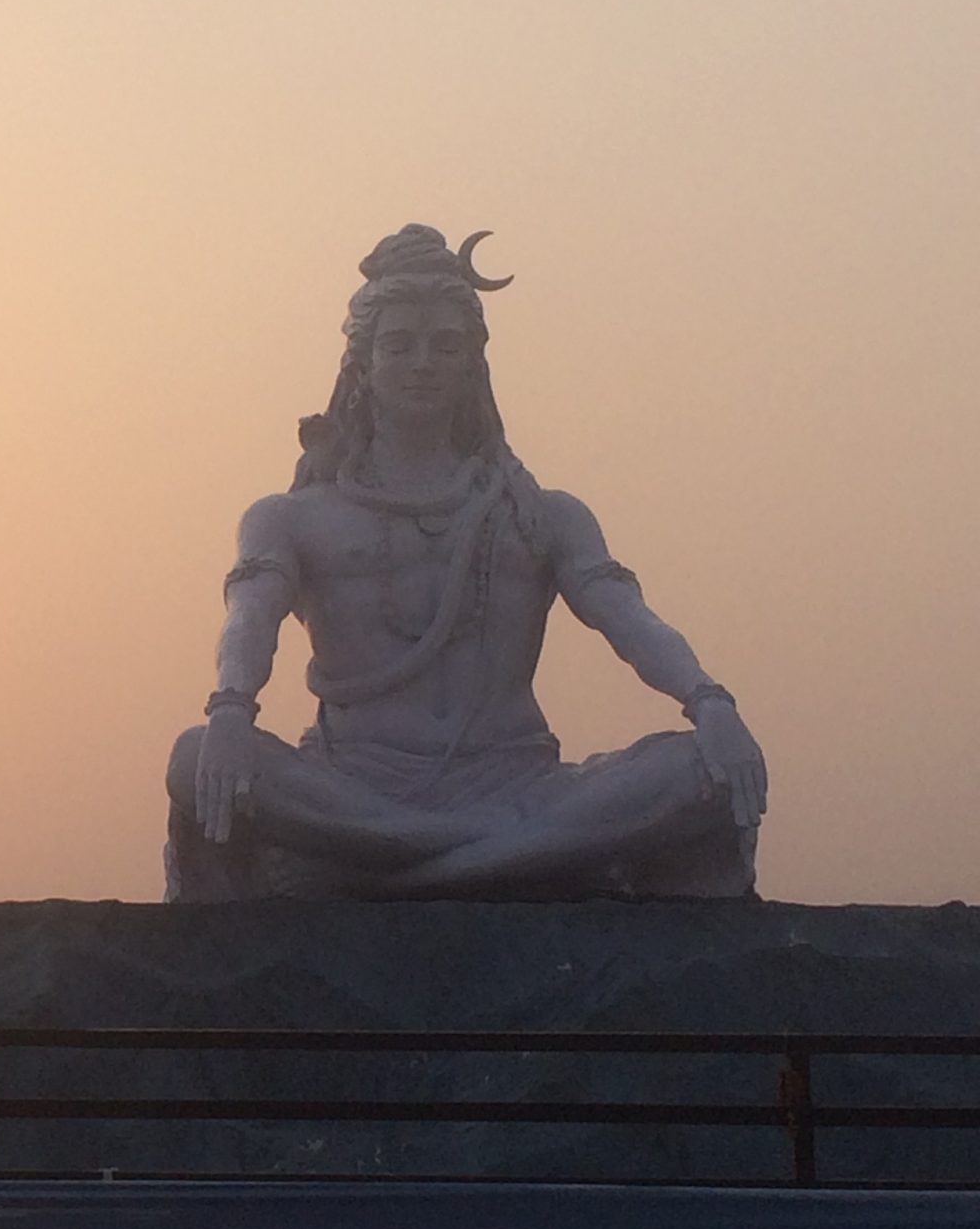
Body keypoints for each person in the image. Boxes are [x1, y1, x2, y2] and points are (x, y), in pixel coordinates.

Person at [164, 225, 767, 901]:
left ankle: (404, 871)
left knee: (695, 767)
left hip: (517, 788)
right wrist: (231, 713)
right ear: (361, 366)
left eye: (445, 345)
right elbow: (249, 621)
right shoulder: (292, 517)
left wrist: (709, 702)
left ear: (472, 363)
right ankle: (510, 862)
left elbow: (630, 620)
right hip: (359, 788)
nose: (423, 362)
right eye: (400, 345)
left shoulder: (541, 513)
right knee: (194, 760)